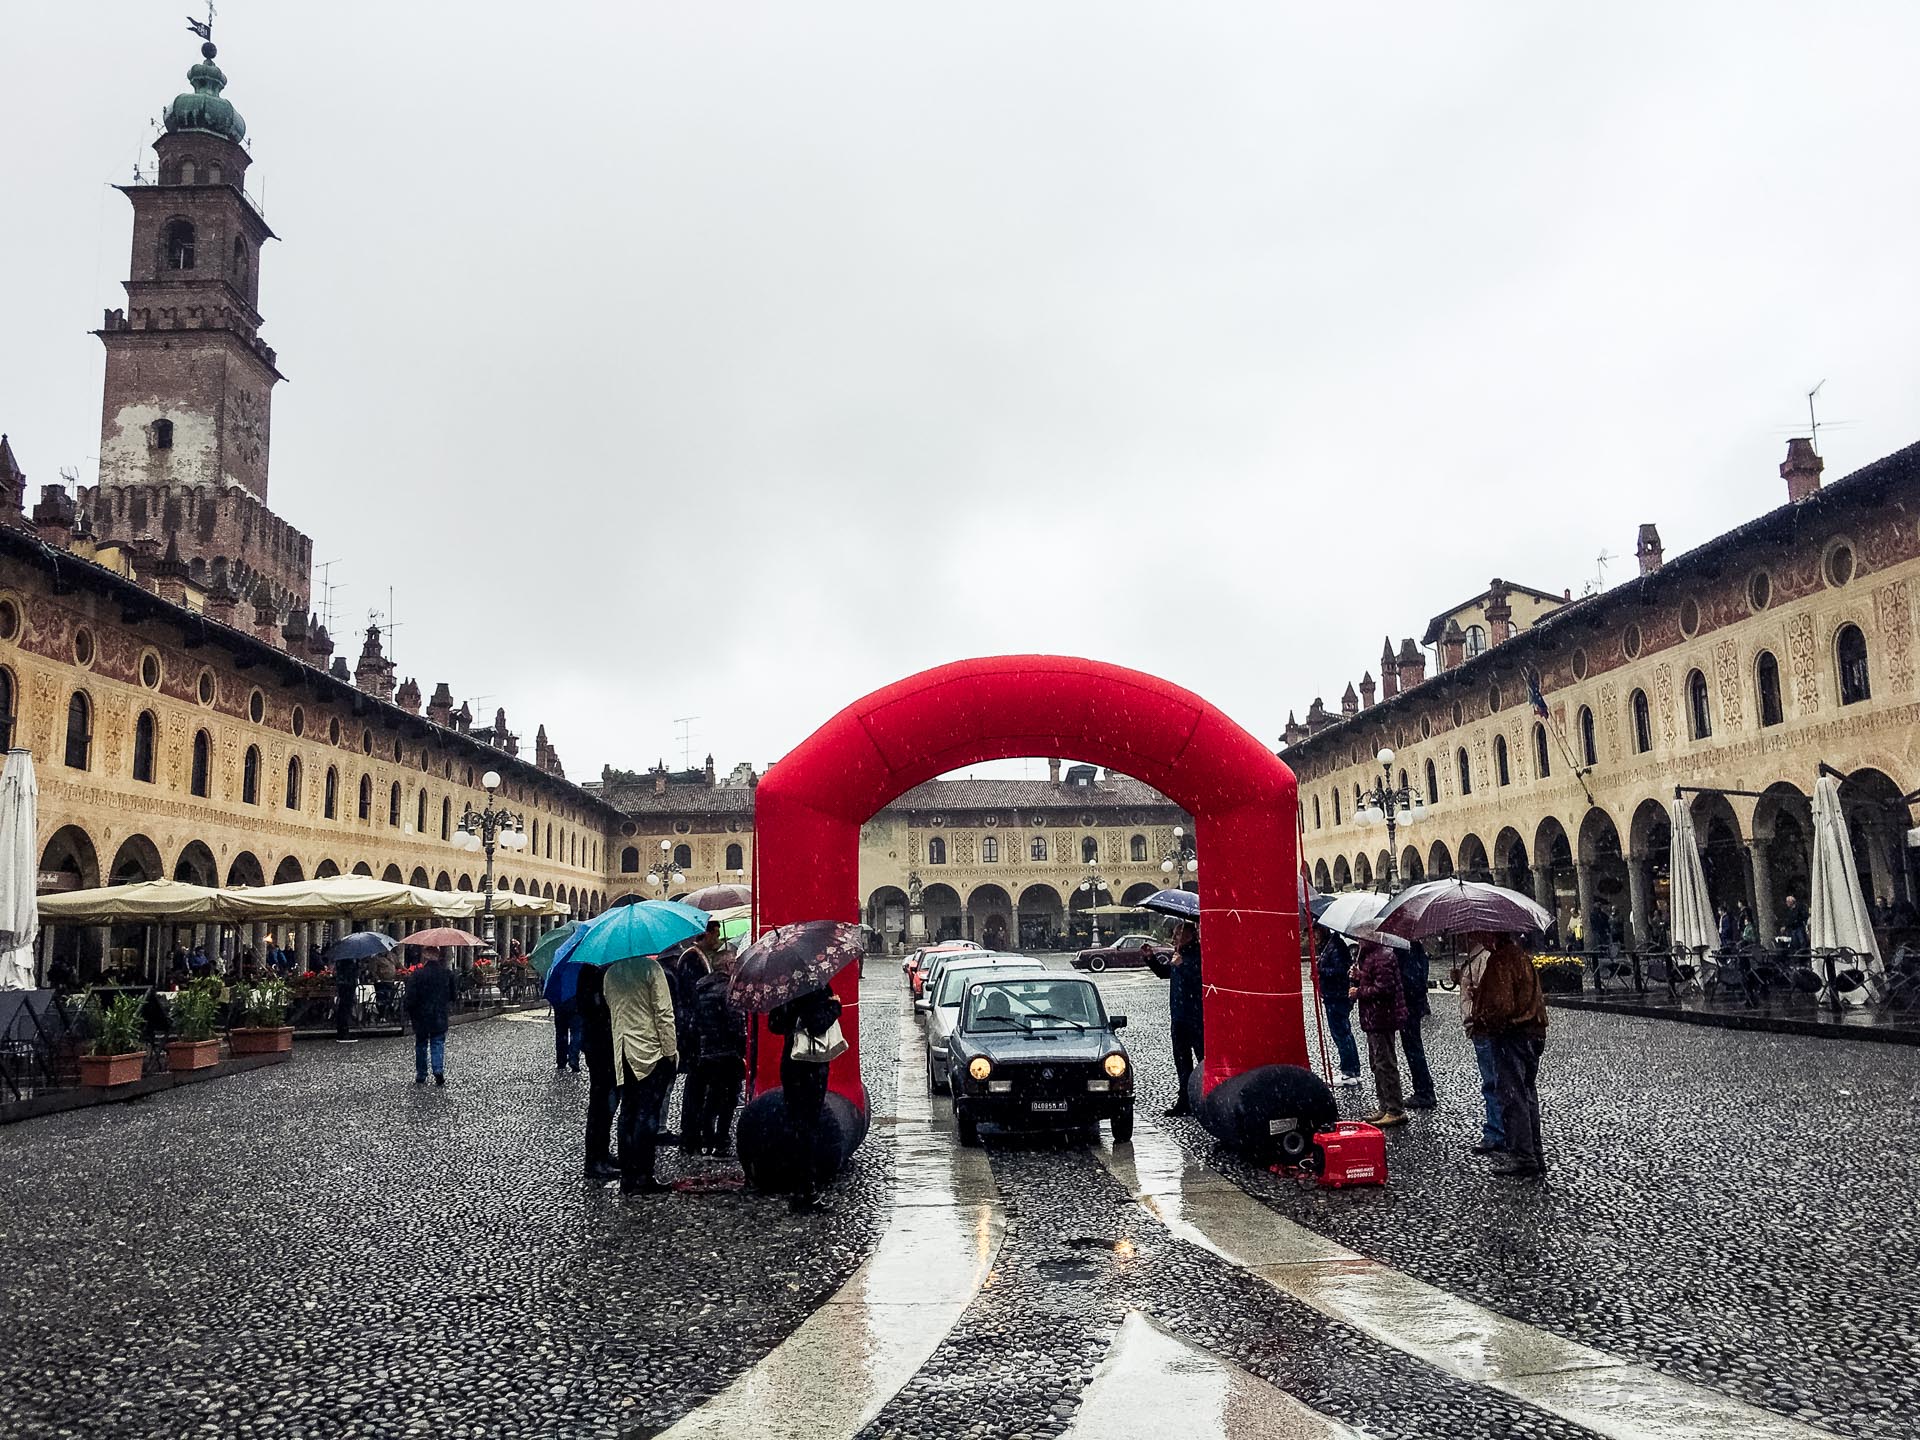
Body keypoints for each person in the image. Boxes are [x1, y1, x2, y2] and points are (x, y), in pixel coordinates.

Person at [1467, 932, 1548, 1179]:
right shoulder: (1520, 956)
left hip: (1513, 1035)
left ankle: (1525, 1157)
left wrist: (1479, 1016)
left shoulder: (1501, 960)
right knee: (1526, 1094)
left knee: (1514, 1097)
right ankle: (1534, 1153)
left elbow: (1502, 1006)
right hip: (1532, 1033)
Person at [605, 954, 679, 1196]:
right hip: (650, 1050)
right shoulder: (651, 969)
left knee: (628, 1112)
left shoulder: (611, 973)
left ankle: (628, 1175)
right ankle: (644, 1175)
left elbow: (612, 1008)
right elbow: (664, 1013)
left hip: (622, 1050)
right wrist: (670, 1051)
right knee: (647, 1114)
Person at [768, 985, 844, 1213]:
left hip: (790, 1062)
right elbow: (818, 1024)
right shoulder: (815, 987)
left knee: (796, 1125)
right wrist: (835, 1006)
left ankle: (798, 1187)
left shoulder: (784, 988)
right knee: (808, 1127)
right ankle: (806, 1190)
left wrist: (793, 1017)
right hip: (811, 1066)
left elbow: (775, 1025)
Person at [683, 947, 748, 1156]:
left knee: (709, 1097)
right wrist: (742, 1047)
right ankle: (721, 1139)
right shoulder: (729, 991)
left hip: (705, 1052)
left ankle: (705, 1136)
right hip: (726, 1052)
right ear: (728, 966)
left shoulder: (701, 988)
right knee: (727, 1098)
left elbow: (693, 1023)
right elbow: (736, 1023)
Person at [1451, 937, 1505, 1156]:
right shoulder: (1473, 958)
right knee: (1492, 1080)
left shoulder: (1484, 957)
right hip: (1478, 1026)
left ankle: (1496, 1132)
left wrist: (1477, 992)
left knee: (1491, 1082)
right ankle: (1498, 1130)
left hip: (1482, 1026)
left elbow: (1489, 993)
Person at [1148, 921, 1204, 1115]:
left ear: (1189, 935)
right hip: (1179, 1017)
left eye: (1177, 934)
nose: (1173, 938)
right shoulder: (1178, 954)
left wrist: (1183, 966)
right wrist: (1151, 959)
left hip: (1196, 1018)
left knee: (1202, 1060)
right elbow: (1166, 973)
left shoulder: (1199, 955)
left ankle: (1205, 1098)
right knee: (1182, 1061)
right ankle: (1185, 1100)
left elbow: (1199, 979)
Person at [1349, 940, 1407, 1126]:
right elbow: (1375, 981)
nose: (1358, 940)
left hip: (1382, 1018)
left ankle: (1394, 1109)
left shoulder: (1383, 956)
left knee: (1385, 1064)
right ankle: (1385, 1106)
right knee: (1377, 1064)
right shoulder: (1372, 955)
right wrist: (1360, 976)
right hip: (1373, 1019)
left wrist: (1359, 991)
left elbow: (1385, 989)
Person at [576, 965, 619, 1180]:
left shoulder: (596, 970)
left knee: (607, 1103)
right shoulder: (592, 971)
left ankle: (602, 1152)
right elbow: (590, 1006)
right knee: (601, 1103)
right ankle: (594, 1161)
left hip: (602, 1042)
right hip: (600, 1044)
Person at [1313, 926, 1362, 1088]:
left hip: (1336, 996)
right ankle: (1353, 1070)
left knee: (1341, 1034)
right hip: (1334, 995)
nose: (1313, 936)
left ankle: (1348, 1071)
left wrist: (1320, 970)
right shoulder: (1331, 945)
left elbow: (1340, 970)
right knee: (1344, 1033)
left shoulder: (1335, 946)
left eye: (1316, 931)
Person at [404, 947, 455, 1086]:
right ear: (438, 956)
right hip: (439, 1013)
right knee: (437, 1042)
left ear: (425, 956)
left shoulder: (417, 974)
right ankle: (438, 1070)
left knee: (421, 1044)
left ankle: (421, 1074)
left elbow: (410, 996)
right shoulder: (446, 974)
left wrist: (408, 1010)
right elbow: (453, 995)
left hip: (420, 1015)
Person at [1396, 940, 1436, 1110]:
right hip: (1413, 1005)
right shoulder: (1416, 948)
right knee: (1413, 1048)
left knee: (1413, 1049)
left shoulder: (1406, 950)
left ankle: (1424, 1092)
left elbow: (1410, 980)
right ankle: (1423, 1090)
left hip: (1409, 1006)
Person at [333, 947, 361, 1044]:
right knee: (345, 1008)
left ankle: (343, 1030)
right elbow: (353, 974)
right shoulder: (347, 963)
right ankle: (343, 1032)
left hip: (343, 985)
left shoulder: (340, 961)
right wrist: (357, 965)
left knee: (344, 1008)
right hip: (347, 985)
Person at [552, 986, 582, 1074]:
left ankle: (561, 1060)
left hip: (560, 1005)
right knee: (576, 1033)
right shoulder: (579, 972)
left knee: (561, 1034)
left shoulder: (556, 972)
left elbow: (552, 989)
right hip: (576, 1004)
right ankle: (573, 1058)